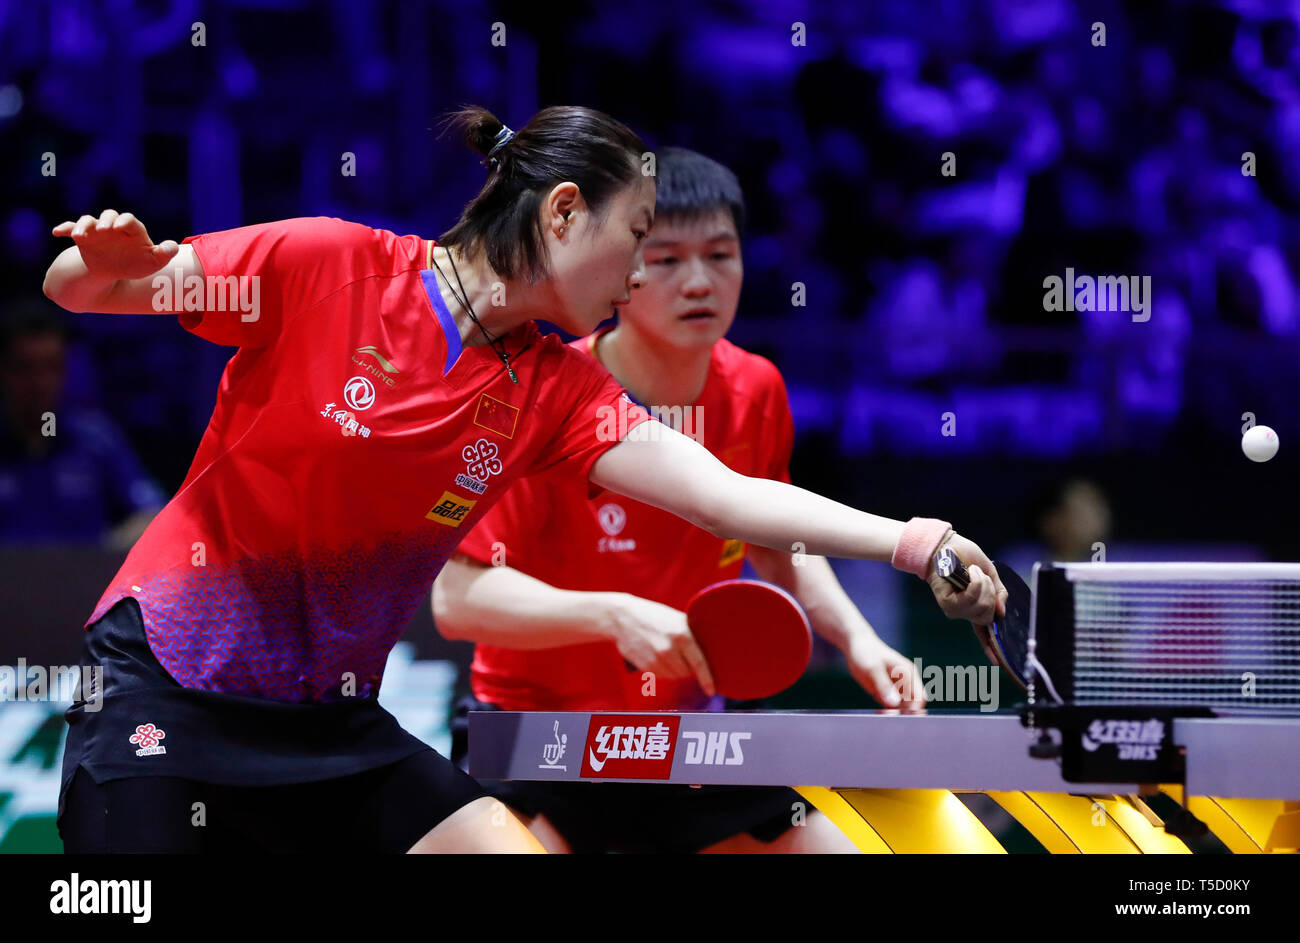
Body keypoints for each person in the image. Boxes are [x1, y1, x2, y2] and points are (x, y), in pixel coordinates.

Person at [43, 105, 1005, 854]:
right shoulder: (331, 265)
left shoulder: (554, 389)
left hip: (324, 722)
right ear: (561, 212)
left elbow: (725, 493)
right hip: (165, 685)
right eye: (637, 241)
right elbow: (85, 291)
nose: (639, 276)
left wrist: (915, 539)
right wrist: (104, 265)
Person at [434, 148, 925, 853]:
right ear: (622, 266)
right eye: (665, 260)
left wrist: (858, 640)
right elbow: (459, 601)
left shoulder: (755, 389)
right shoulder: (542, 395)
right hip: (537, 744)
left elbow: (775, 538)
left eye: (721, 254)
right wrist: (612, 615)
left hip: (692, 746)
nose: (700, 281)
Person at [0, 304, 165, 547]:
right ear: (4, 370)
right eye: (25, 368)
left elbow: (153, 514)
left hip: (81, 582)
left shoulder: (95, 438)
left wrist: (106, 551)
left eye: (50, 367)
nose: (39, 383)